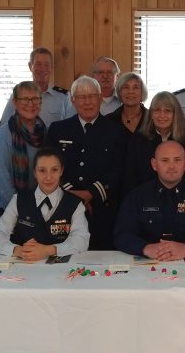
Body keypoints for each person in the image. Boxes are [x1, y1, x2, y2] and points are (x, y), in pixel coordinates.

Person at [47, 76, 129, 249]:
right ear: (73, 100)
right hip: (64, 209)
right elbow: (50, 167)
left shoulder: (116, 131)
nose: (87, 102)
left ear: (100, 98)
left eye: (92, 96)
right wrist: (72, 195)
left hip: (103, 210)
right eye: (82, 97)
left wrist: (91, 193)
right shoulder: (57, 130)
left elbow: (118, 170)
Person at [115, 140, 185, 261]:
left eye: (177, 160)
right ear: (154, 164)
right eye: (165, 160)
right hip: (148, 264)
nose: (171, 166)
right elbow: (122, 235)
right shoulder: (136, 196)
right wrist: (146, 248)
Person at [0, 147, 90, 260]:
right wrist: (18, 250)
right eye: (42, 170)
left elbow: (82, 240)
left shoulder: (75, 204)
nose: (48, 177)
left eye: (54, 170)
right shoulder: (19, 200)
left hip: (60, 271)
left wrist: (48, 250)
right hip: (24, 268)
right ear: (34, 173)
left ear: (61, 171)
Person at [125, 91, 185, 192]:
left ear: (175, 114)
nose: (162, 115)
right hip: (145, 199)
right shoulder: (138, 140)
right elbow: (130, 178)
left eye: (167, 111)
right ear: (151, 114)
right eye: (157, 110)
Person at [0, 81, 47, 213]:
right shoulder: (3, 134)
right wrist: (23, 210)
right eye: (24, 99)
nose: (30, 104)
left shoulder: (46, 132)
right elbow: (2, 181)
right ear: (15, 103)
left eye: (35, 99)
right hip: (11, 210)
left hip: (44, 209)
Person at [0, 47, 74, 126]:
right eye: (38, 64)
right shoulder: (18, 95)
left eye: (46, 65)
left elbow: (70, 127)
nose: (42, 69)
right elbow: (4, 124)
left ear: (51, 67)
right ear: (30, 66)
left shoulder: (63, 97)